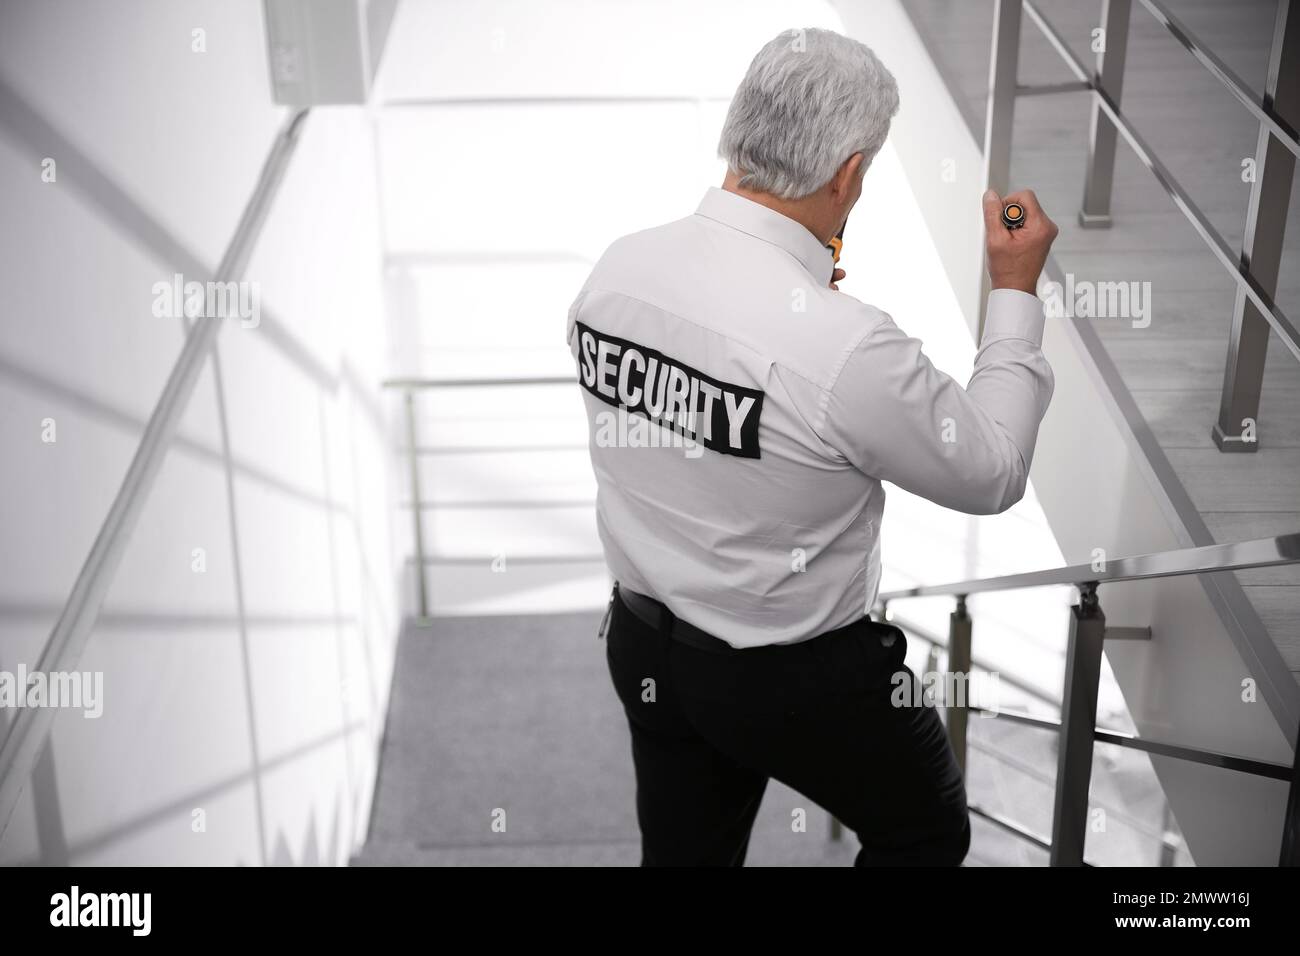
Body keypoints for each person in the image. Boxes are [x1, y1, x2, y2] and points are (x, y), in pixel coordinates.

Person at [566, 27, 1058, 866]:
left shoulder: (617, 271)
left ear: (740, 129)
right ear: (850, 174)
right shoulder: (847, 349)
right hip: (799, 681)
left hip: (643, 643)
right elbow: (993, 471)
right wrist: (1014, 290)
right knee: (924, 832)